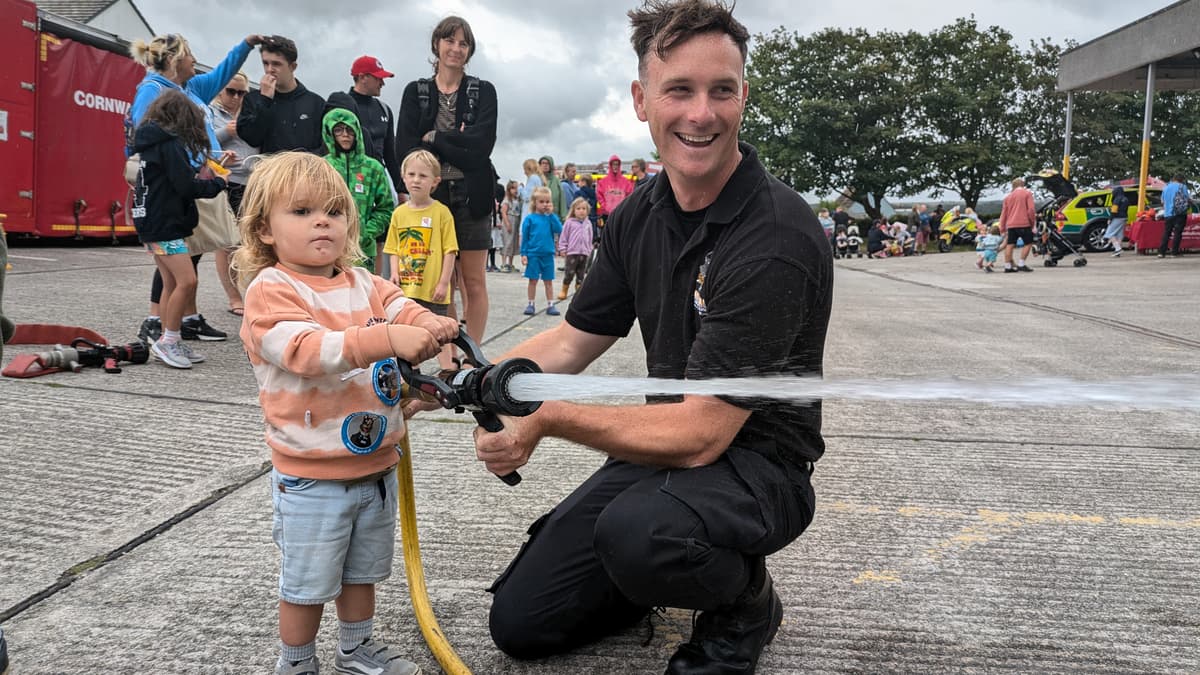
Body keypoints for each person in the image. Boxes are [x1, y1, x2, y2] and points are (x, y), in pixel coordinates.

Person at [467, 2, 833, 671]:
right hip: (667, 455)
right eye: (680, 90)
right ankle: (657, 569)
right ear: (642, 100)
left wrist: (543, 416)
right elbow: (574, 339)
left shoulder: (773, 237)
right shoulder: (640, 213)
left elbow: (702, 433)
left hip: (758, 468)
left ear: (743, 96)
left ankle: (744, 602)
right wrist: (472, 377)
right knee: (523, 622)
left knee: (642, 534)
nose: (702, 114)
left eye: (722, 90)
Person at [234, 151, 458, 675]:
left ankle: (355, 647)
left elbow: (399, 303)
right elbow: (309, 351)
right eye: (303, 211)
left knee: (362, 573)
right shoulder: (271, 291)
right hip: (313, 477)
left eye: (335, 212)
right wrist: (383, 337)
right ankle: (297, 662)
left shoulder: (362, 282)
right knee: (308, 582)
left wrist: (428, 321)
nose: (322, 222)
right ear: (265, 229)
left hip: (375, 467)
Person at [127, 32, 260, 344]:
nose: (195, 61)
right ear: (175, 61)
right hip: (179, 181)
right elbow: (144, 135)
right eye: (190, 55)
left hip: (200, 172)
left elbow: (222, 74)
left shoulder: (189, 87)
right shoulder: (153, 90)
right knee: (174, 252)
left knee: (189, 253)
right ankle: (156, 319)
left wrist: (246, 46)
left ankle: (186, 318)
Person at [396, 16, 497, 358]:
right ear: (437, 44)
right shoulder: (416, 92)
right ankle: (449, 357)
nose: (456, 48)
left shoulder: (483, 91)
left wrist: (437, 138)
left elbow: (482, 147)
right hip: (432, 198)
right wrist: (460, 142)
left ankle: (474, 356)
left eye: (463, 43)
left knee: (473, 281)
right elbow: (406, 149)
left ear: (470, 50)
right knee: (443, 282)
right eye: (450, 41)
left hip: (472, 195)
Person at [130, 90, 228, 369]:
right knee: (187, 281)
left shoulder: (151, 143)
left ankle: (168, 336)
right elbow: (186, 187)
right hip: (165, 225)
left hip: (149, 221)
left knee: (171, 283)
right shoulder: (170, 144)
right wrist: (219, 183)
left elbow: (175, 181)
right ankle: (168, 341)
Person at [384, 149, 459, 371]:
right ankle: (412, 374)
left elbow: (450, 251)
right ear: (403, 176)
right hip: (408, 289)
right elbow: (393, 248)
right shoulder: (399, 213)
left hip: (433, 289)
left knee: (440, 330)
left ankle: (447, 371)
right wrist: (394, 273)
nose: (416, 180)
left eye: (423, 176)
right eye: (412, 174)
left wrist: (444, 282)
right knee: (410, 330)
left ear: (435, 182)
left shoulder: (442, 213)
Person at [321, 108, 395, 272]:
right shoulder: (322, 167)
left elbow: (386, 207)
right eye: (338, 130)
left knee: (363, 292)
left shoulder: (372, 168)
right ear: (329, 133)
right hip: (327, 245)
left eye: (350, 129)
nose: (345, 135)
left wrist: (367, 232)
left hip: (363, 250)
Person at [210, 72, 257, 317]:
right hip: (228, 181)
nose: (236, 97)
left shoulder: (250, 112)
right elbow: (202, 144)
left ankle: (251, 291)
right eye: (231, 91)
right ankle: (233, 297)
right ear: (220, 90)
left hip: (253, 183)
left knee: (251, 242)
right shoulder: (211, 113)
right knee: (227, 243)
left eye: (242, 93)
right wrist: (226, 132)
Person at [237, 36, 326, 155]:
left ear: (292, 66)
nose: (270, 69)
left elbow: (325, 146)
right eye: (265, 63)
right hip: (268, 171)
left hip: (305, 171)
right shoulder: (253, 99)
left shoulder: (316, 103)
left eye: (276, 64)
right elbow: (252, 139)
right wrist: (265, 101)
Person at [325, 55, 402, 190]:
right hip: (348, 178)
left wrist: (400, 189)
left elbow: (390, 154)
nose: (382, 83)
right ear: (362, 77)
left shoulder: (385, 109)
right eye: (378, 78)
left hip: (377, 178)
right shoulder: (341, 107)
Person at [520, 186, 563, 316]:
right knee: (532, 280)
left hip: (547, 254)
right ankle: (531, 303)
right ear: (535, 202)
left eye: (547, 202)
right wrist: (524, 254)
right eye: (542, 202)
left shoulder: (550, 218)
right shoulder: (529, 219)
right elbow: (525, 238)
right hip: (533, 254)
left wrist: (552, 215)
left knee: (548, 281)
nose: (545, 204)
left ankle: (550, 304)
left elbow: (559, 229)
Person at [557, 197, 594, 300]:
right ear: (573, 210)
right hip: (572, 252)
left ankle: (579, 292)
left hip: (584, 253)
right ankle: (564, 289)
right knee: (569, 272)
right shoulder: (569, 223)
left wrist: (589, 248)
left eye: (583, 209)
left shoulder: (588, 223)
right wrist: (563, 249)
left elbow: (590, 237)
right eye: (578, 209)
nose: (581, 211)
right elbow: (564, 236)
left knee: (581, 273)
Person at [998, 177, 1036, 272]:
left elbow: (1004, 214)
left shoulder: (1008, 197)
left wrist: (1002, 228)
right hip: (1024, 223)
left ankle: (1007, 266)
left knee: (1010, 244)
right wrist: (1032, 223)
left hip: (1011, 224)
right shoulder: (1027, 194)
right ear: (1023, 185)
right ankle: (1021, 263)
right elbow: (1031, 210)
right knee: (1028, 243)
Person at [596, 154, 634, 226]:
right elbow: (599, 196)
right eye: (613, 164)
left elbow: (630, 196)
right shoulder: (603, 182)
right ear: (610, 165)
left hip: (621, 215)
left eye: (617, 164)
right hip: (607, 215)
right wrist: (605, 207)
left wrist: (624, 209)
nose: (615, 166)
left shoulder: (626, 182)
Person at [1158, 174, 1189, 258]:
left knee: (1166, 233)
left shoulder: (1166, 187)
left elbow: (1162, 201)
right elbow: (1186, 199)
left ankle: (1161, 252)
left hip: (1168, 213)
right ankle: (1174, 253)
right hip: (1180, 213)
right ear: (1181, 180)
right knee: (1177, 233)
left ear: (1173, 179)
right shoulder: (1182, 187)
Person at [500, 180, 522, 273]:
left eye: (516, 188)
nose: (515, 190)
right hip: (509, 219)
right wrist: (507, 223)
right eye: (513, 188)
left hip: (516, 220)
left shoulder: (517, 200)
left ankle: (510, 263)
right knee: (507, 242)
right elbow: (503, 212)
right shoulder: (506, 200)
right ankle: (503, 263)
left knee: (513, 242)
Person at [540, 156, 568, 220]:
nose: (545, 165)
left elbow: (562, 200)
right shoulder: (537, 180)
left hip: (554, 215)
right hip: (539, 216)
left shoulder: (556, 181)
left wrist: (564, 217)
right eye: (543, 163)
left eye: (547, 163)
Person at [1106, 185, 1130, 257]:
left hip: (1117, 218)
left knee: (1109, 233)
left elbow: (1114, 210)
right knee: (1119, 235)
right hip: (1124, 217)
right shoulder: (1125, 199)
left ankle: (1118, 248)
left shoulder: (1117, 199)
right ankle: (1117, 251)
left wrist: (1110, 219)